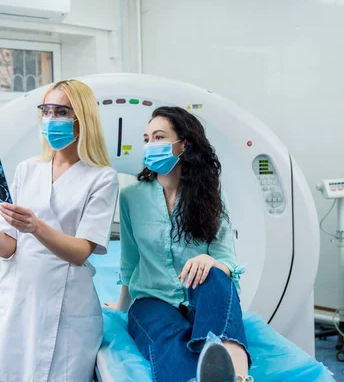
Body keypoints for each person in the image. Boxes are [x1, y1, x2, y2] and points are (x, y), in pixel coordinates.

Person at [0, 79, 119, 382]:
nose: (51, 120)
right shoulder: (27, 169)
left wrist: (36, 226)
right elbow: (8, 246)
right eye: (47, 111)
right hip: (22, 298)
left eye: (61, 112)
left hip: (67, 307)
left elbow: (81, 252)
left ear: (83, 119)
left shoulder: (102, 178)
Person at [106, 106, 252, 382]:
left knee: (216, 275)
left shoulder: (211, 195)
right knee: (169, 335)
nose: (150, 145)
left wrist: (210, 261)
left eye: (159, 137)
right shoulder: (130, 197)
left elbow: (227, 260)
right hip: (152, 299)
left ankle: (237, 376)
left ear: (183, 144)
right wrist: (121, 306)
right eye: (147, 139)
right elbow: (130, 262)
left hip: (201, 294)